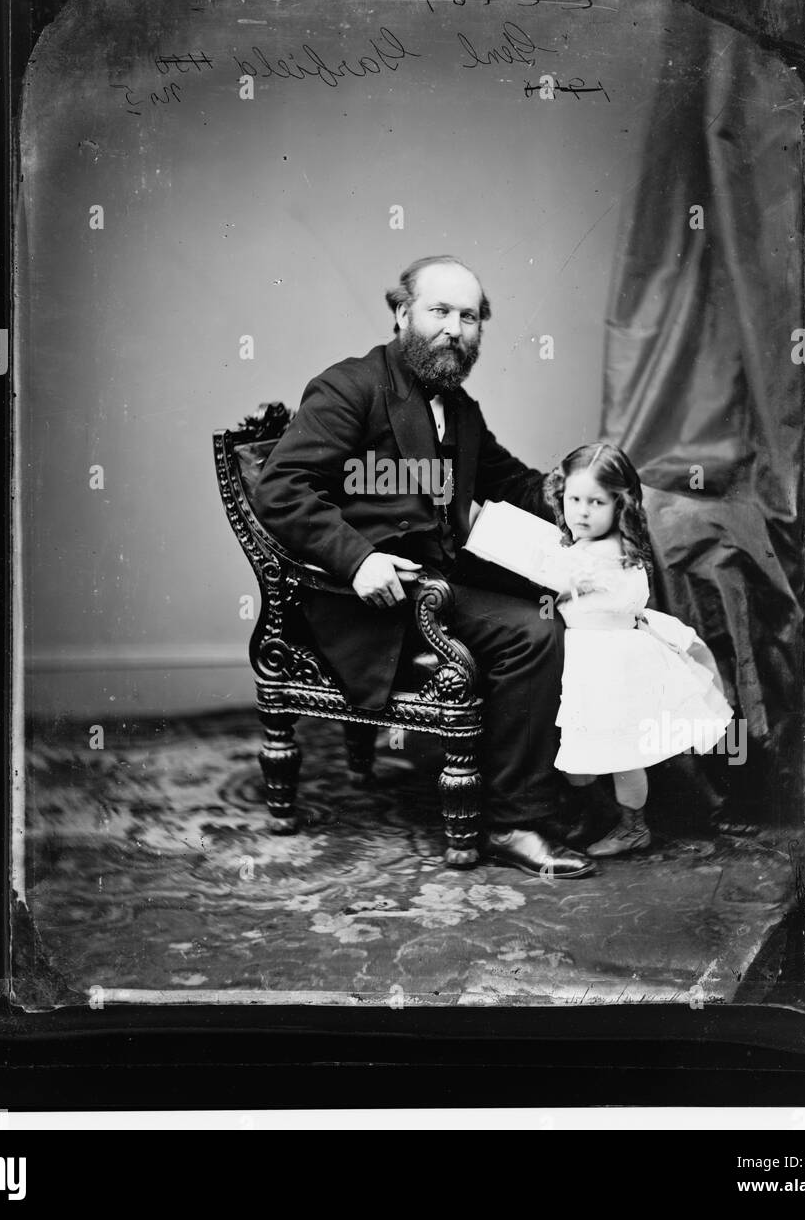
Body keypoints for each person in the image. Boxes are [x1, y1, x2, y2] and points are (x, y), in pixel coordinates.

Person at [253, 255, 595, 877]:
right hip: (366, 598)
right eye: (439, 311)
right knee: (533, 634)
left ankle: (541, 787)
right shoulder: (350, 386)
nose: (454, 329)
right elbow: (281, 490)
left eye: (469, 317)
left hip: (437, 584)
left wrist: (575, 499)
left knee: (561, 604)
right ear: (402, 312)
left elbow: (508, 480)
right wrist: (356, 560)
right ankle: (512, 823)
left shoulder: (457, 406)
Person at [539, 443, 734, 856]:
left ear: (619, 505)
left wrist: (560, 583)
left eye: (596, 502)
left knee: (624, 754)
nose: (582, 512)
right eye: (574, 500)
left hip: (613, 665)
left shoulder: (612, 555)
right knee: (581, 753)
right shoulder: (579, 549)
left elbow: (616, 597)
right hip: (584, 662)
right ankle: (597, 812)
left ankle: (633, 826)